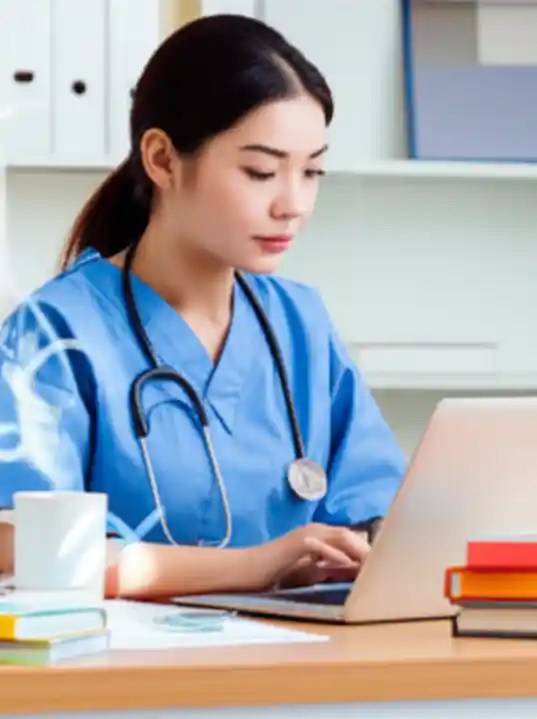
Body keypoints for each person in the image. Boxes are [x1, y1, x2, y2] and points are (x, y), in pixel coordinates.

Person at [0, 15, 404, 599]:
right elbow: (21, 545)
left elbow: (379, 509)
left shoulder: (301, 323)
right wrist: (259, 566)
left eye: (312, 171)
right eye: (261, 172)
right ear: (163, 159)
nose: (293, 204)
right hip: (123, 654)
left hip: (311, 649)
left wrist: (364, 550)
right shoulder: (54, 334)